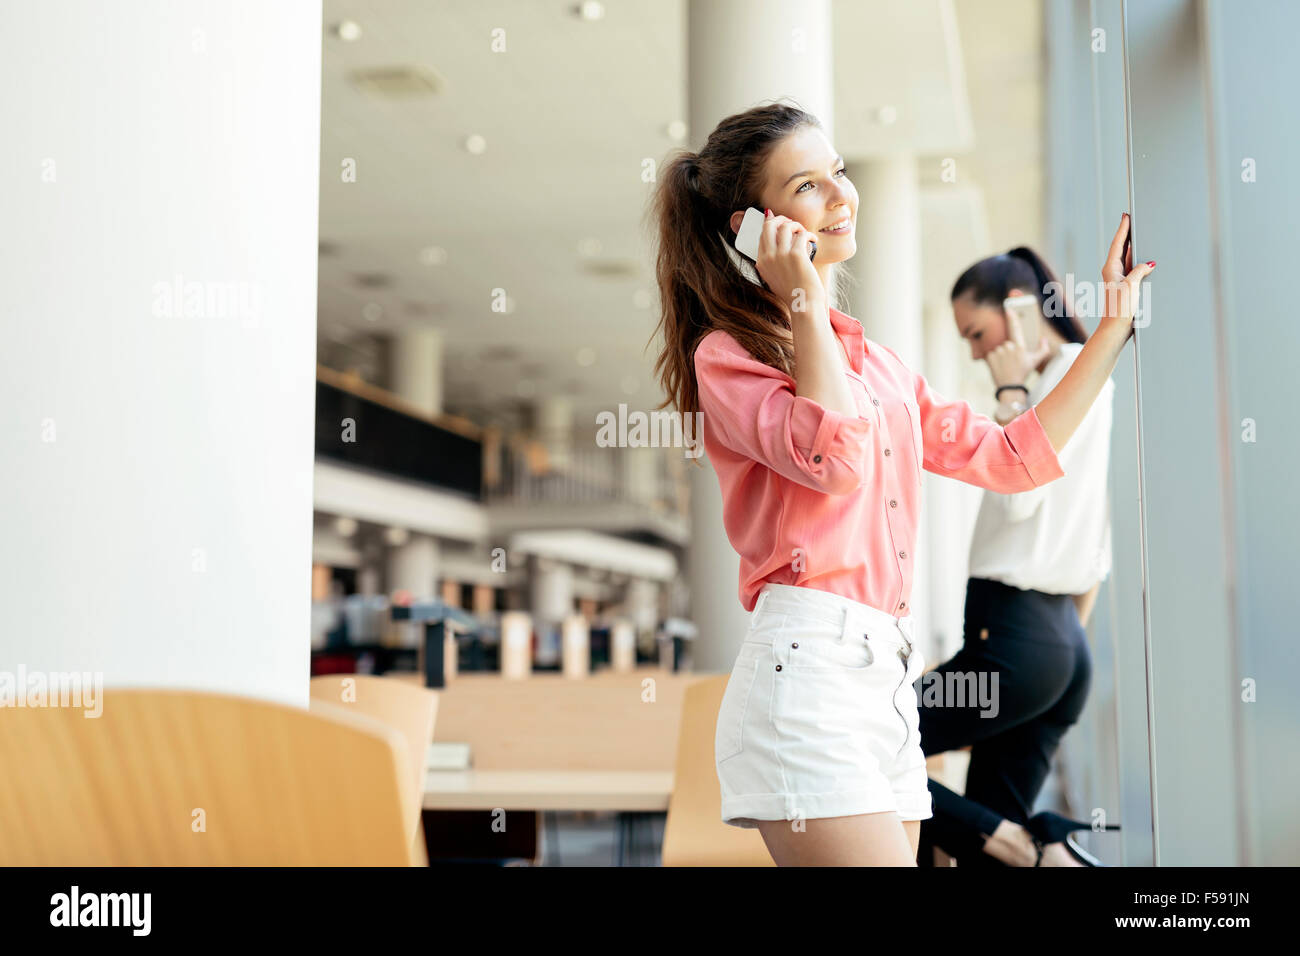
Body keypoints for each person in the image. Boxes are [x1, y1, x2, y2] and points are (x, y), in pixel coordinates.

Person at [647, 100, 1151, 866]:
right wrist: (804, 302)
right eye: (808, 186)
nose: (842, 196)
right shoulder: (728, 358)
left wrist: (1111, 329)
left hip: (885, 675)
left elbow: (1011, 459)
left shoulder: (876, 365)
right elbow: (837, 459)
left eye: (838, 171)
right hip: (806, 671)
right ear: (753, 228)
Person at [916, 248, 1116, 868]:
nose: (975, 352)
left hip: (1015, 642)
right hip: (1059, 649)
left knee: (864, 736)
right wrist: (1053, 658)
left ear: (1019, 309)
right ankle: (1030, 845)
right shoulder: (1087, 380)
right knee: (982, 862)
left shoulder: (1046, 387)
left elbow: (1023, 495)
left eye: (977, 333)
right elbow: (1096, 546)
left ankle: (1024, 845)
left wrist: (1010, 396)